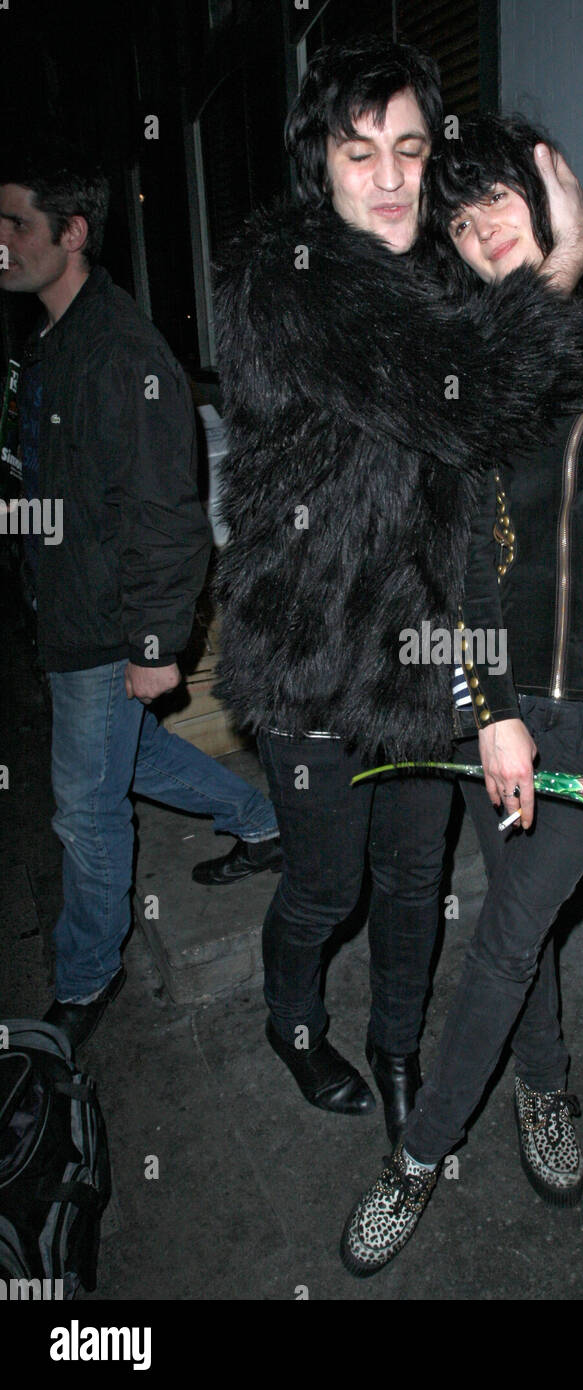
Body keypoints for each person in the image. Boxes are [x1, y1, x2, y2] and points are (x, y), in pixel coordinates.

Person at [341, 114, 583, 1275]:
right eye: (456, 222)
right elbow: (457, 556)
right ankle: (545, 1089)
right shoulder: (477, 355)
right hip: (494, 704)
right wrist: (484, 707)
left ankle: (416, 1157)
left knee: (504, 938)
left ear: (548, 186)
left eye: (494, 199)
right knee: (529, 927)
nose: (479, 230)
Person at [212, 41, 583, 1144]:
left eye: (408, 151)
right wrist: (557, 266)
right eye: (357, 150)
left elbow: (514, 451)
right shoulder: (287, 278)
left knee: (415, 880)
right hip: (311, 658)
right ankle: (292, 1023)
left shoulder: (433, 277)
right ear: (316, 161)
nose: (386, 178)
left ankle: (394, 1043)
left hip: (427, 658)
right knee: (325, 890)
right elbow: (471, 396)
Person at [0, 142, 282, 1049]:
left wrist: (157, 646)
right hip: (71, 612)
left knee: (84, 807)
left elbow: (168, 516)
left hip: (106, 627)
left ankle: (87, 979)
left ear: (71, 233)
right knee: (127, 762)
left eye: (15, 226)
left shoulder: (123, 352)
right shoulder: (54, 338)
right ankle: (266, 820)